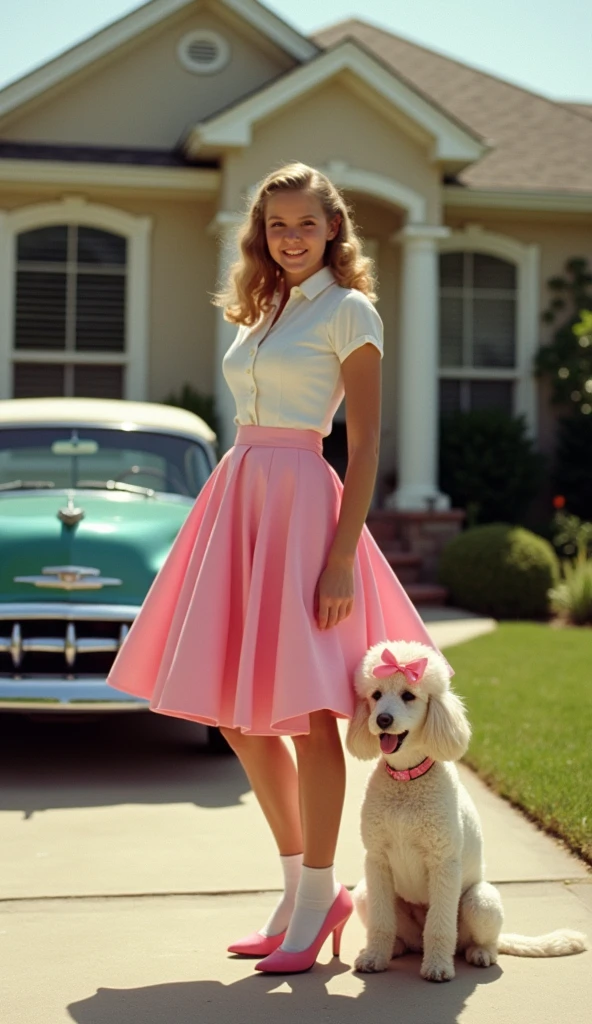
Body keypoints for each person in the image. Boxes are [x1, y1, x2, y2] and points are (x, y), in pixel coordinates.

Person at [106, 162, 452, 974]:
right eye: (276, 225)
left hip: (304, 506)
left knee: (313, 712)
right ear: (261, 235)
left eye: (305, 223)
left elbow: (363, 443)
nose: (290, 238)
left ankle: (322, 889)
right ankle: (306, 888)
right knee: (235, 717)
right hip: (240, 499)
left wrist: (340, 557)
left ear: (334, 228)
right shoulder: (264, 307)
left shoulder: (350, 309)